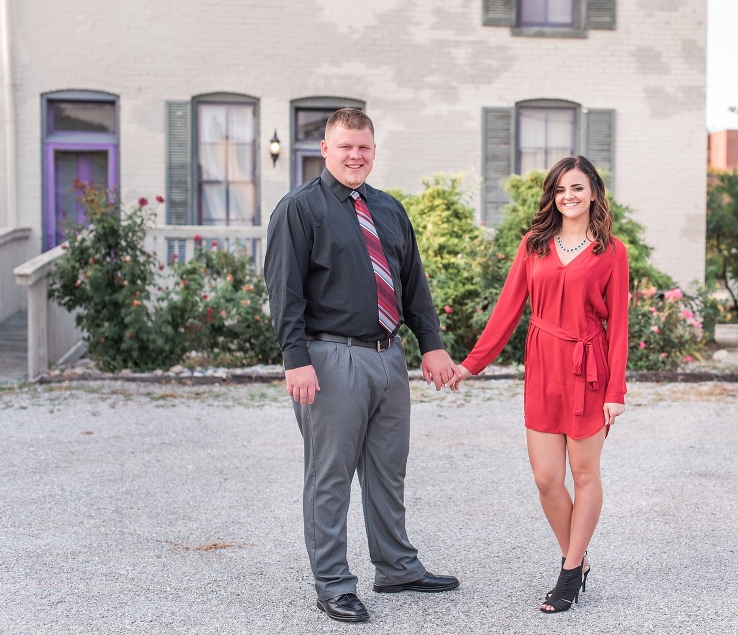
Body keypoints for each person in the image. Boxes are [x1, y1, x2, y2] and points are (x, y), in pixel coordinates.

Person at [264, 108, 461, 623]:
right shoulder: (299, 209)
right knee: (329, 476)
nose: (356, 156)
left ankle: (397, 566)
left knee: (387, 472)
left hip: (388, 357)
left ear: (374, 151)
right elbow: (283, 292)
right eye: (346, 147)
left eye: (364, 148)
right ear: (325, 150)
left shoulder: (390, 211)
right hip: (330, 359)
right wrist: (295, 359)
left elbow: (412, 284)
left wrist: (432, 345)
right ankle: (332, 582)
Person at [448, 155, 629, 614]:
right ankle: (581, 559)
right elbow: (507, 311)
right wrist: (472, 365)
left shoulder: (612, 251)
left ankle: (569, 573)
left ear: (593, 193)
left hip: (589, 369)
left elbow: (621, 326)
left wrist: (615, 391)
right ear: (553, 195)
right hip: (544, 366)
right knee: (547, 479)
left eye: (578, 189)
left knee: (585, 475)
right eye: (561, 190)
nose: (569, 197)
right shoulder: (535, 244)